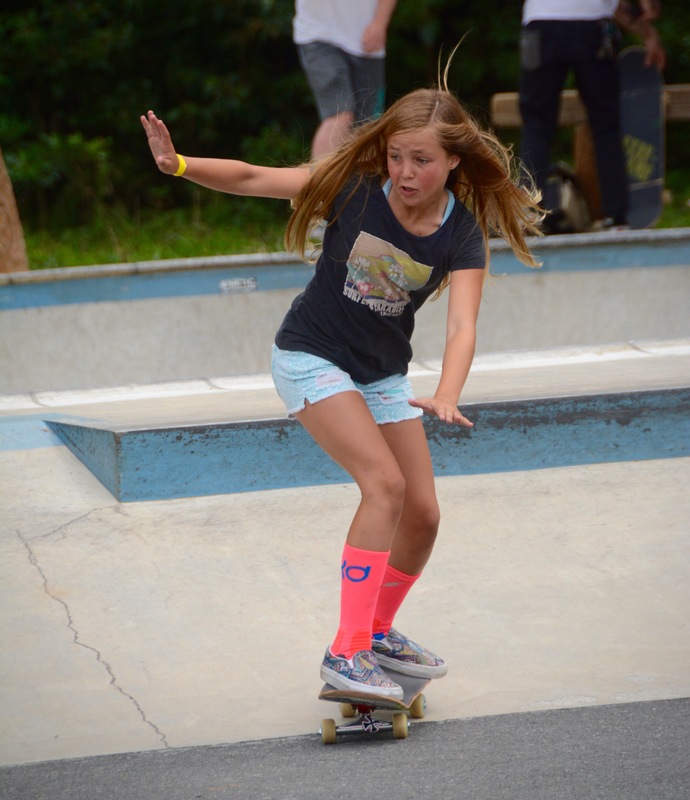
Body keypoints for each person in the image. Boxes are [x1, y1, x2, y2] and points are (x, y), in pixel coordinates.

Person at [140, 61, 543, 698]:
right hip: (310, 355)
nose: (406, 175)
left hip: (382, 376)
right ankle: (347, 652)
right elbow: (254, 177)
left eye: (423, 162)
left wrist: (446, 393)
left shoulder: (462, 234)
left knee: (424, 515)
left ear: (455, 163)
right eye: (397, 158)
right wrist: (178, 165)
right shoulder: (354, 190)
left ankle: (376, 631)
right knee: (383, 487)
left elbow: (463, 325)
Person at [518, 0, 666, 231]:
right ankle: (617, 218)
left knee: (536, 123)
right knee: (606, 124)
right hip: (593, 30)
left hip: (541, 25)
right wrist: (647, 22)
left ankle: (527, 210)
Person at [293, 0, 397, 159]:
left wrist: (380, 23)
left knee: (370, 126)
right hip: (319, 34)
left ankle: (361, 183)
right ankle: (321, 181)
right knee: (340, 113)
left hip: (367, 42)